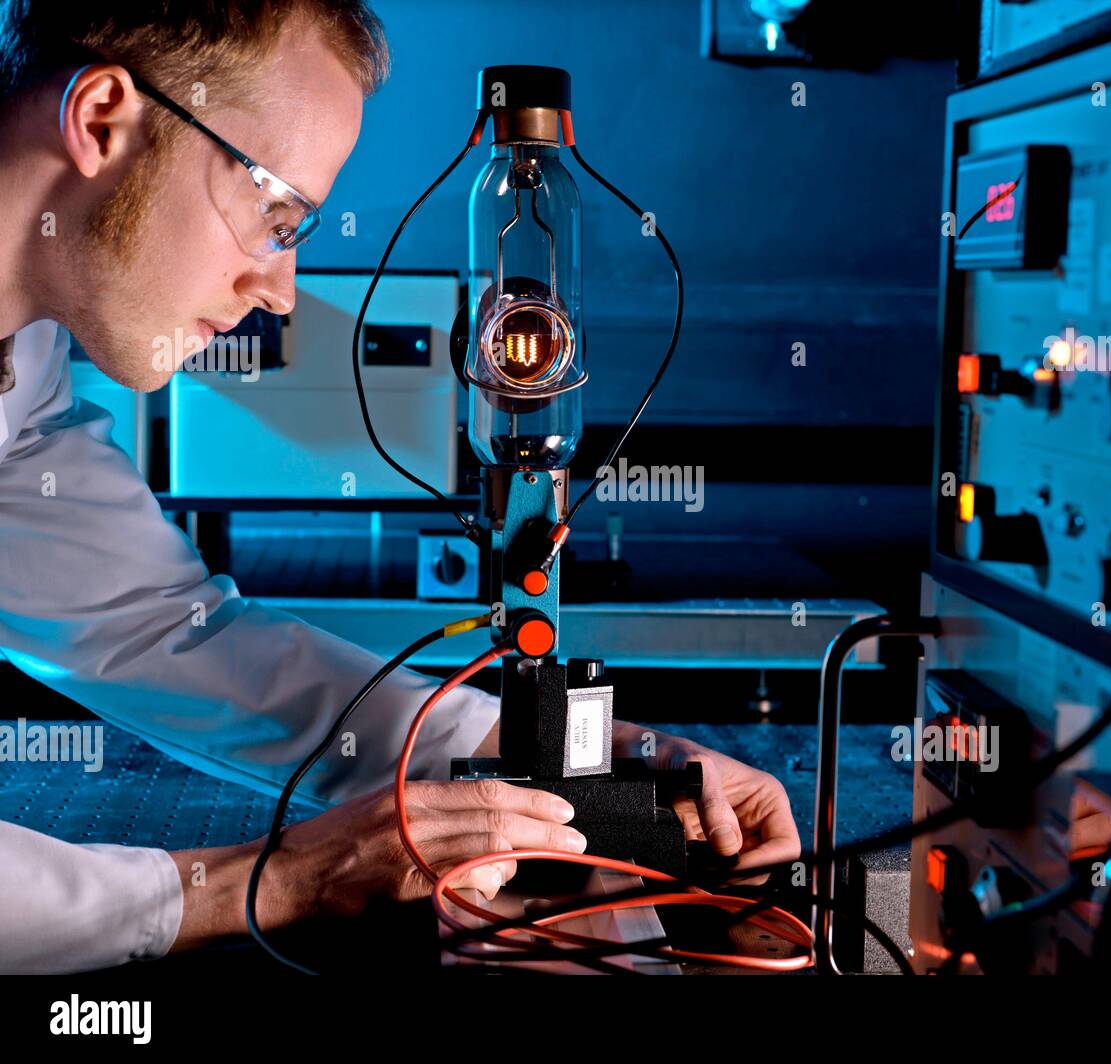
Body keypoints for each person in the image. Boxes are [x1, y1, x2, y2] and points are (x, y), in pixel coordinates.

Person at [0, 1, 799, 973]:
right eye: (274, 214)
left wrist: (558, 760)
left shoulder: (21, 378)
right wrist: (284, 877)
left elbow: (152, 628)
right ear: (99, 122)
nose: (282, 288)